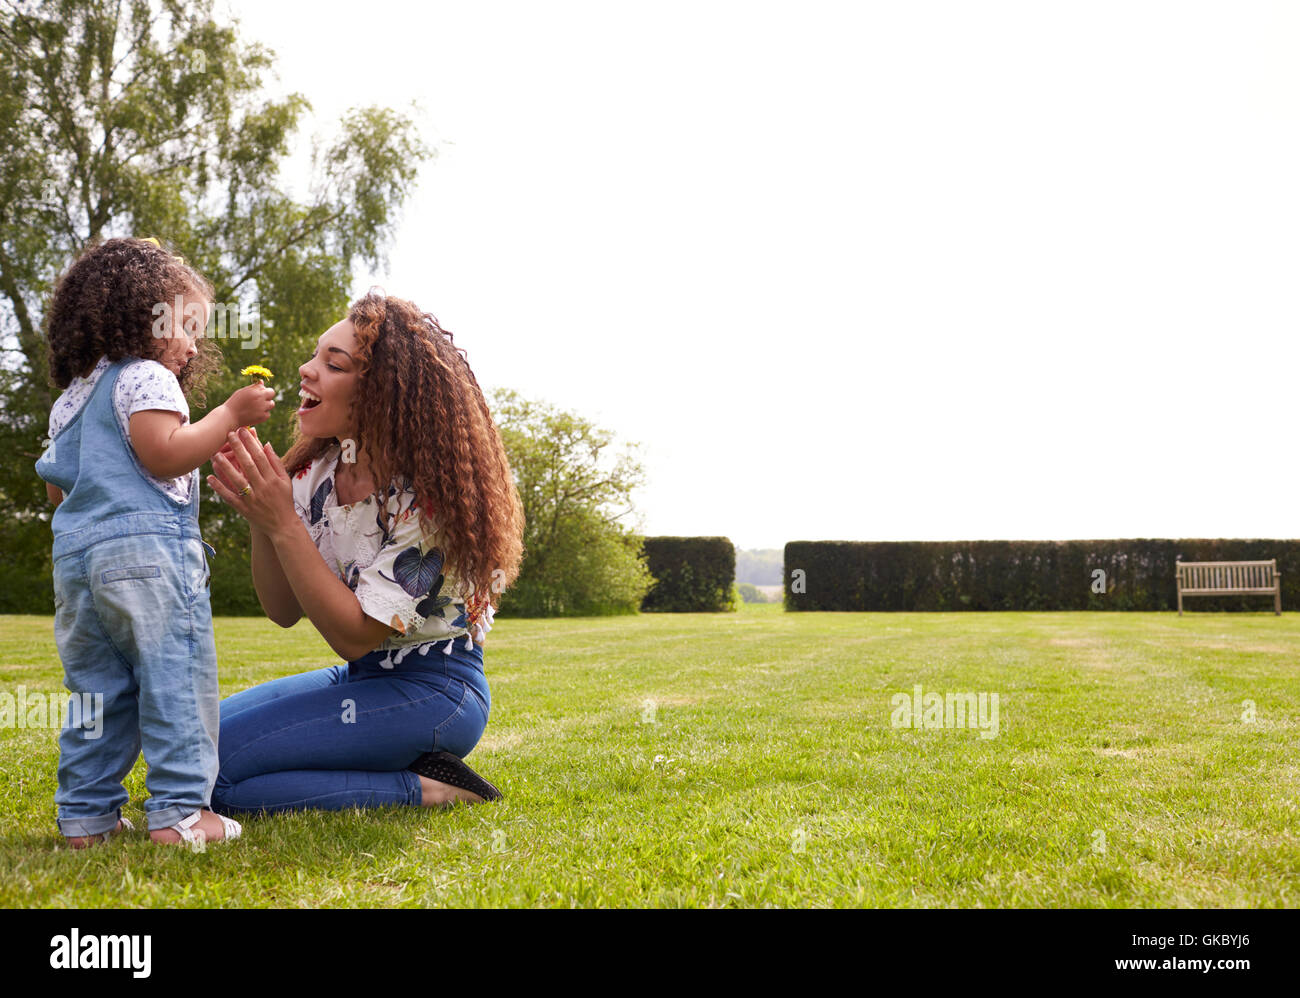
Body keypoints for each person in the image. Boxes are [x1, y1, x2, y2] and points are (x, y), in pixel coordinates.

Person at [206, 290, 524, 816]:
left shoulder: (428, 500)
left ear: (381, 393)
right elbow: (283, 612)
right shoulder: (318, 476)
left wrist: (282, 522)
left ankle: (429, 787)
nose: (307, 371)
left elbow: (354, 636)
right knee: (196, 749)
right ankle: (386, 763)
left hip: (436, 690)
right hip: (365, 681)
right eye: (315, 356)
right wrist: (263, 518)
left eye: (334, 364)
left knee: (216, 780)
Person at [34, 237, 275, 848]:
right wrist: (230, 414)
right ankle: (180, 814)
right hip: (148, 558)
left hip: (79, 565)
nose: (193, 343)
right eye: (185, 326)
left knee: (97, 695)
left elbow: (62, 493)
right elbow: (164, 457)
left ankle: (86, 818)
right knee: (175, 679)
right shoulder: (147, 376)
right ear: (143, 318)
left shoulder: (72, 398)